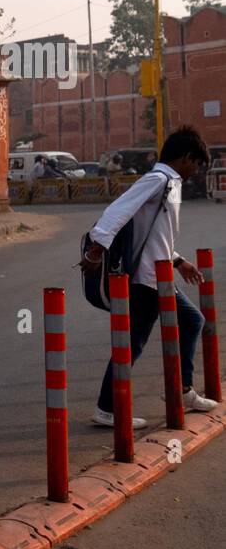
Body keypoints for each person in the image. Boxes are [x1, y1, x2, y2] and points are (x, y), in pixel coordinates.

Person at [82, 126, 218, 427]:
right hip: (146, 279)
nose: (196, 170)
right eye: (195, 163)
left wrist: (179, 260)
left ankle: (181, 390)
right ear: (184, 158)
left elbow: (154, 236)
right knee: (132, 342)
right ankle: (108, 409)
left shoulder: (170, 183)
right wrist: (96, 248)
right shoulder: (158, 180)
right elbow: (117, 211)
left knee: (192, 321)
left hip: (160, 275)